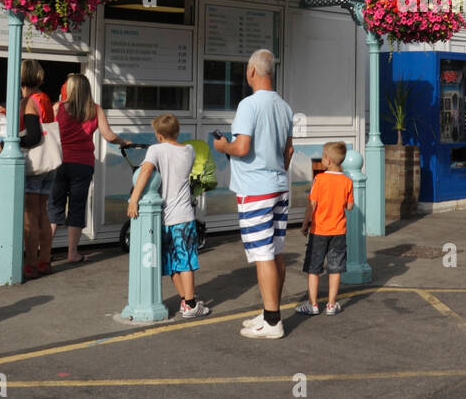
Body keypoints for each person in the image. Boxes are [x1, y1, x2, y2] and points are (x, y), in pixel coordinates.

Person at [213, 49, 294, 340]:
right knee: (275, 251)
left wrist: (224, 147)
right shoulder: (284, 107)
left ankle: (272, 322)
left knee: (263, 255)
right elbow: (289, 152)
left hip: (255, 190)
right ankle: (269, 312)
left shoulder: (248, 105)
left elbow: (242, 147)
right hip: (279, 186)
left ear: (251, 72)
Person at [126, 113, 208, 319]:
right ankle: (189, 304)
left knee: (172, 261)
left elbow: (144, 172)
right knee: (186, 260)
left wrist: (133, 199)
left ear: (158, 134)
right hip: (183, 214)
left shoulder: (155, 149)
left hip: (164, 217)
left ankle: (185, 300)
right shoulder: (189, 150)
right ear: (177, 131)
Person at [48, 73, 132, 264]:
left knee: (54, 207)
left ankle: (44, 254)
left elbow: (44, 130)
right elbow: (108, 136)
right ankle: (72, 253)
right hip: (82, 165)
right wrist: (123, 141)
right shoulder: (94, 110)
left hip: (59, 163)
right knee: (76, 208)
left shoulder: (57, 108)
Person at [296, 141, 354, 317]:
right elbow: (350, 207)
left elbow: (311, 204)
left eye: (322, 156)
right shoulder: (347, 181)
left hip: (319, 231)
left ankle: (312, 304)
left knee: (314, 268)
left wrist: (305, 223)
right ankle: (331, 304)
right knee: (335, 268)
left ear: (328, 160)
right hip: (338, 232)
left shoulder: (319, 179)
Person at [18, 59, 55, 279]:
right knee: (43, 211)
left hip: (34, 163)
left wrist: (13, 142)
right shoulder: (45, 98)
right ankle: (44, 261)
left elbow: (32, 136)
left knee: (29, 214)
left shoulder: (28, 101)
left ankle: (30, 263)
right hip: (49, 162)